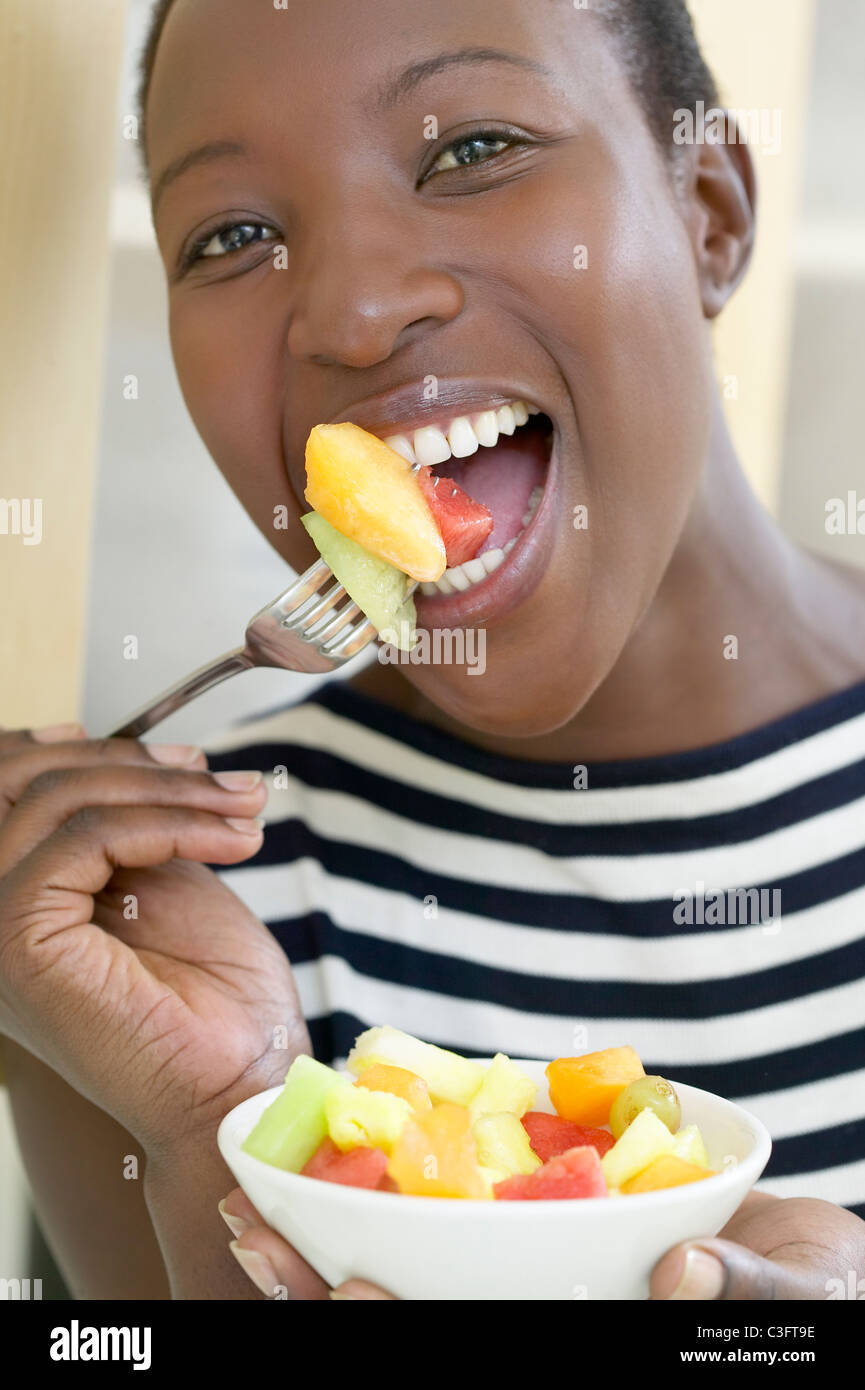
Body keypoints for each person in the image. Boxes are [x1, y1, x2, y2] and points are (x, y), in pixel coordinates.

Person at [2, 0, 864, 1301]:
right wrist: (212, 1136)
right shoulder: (149, 938)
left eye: (471, 150)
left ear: (708, 213)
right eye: (235, 234)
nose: (350, 312)